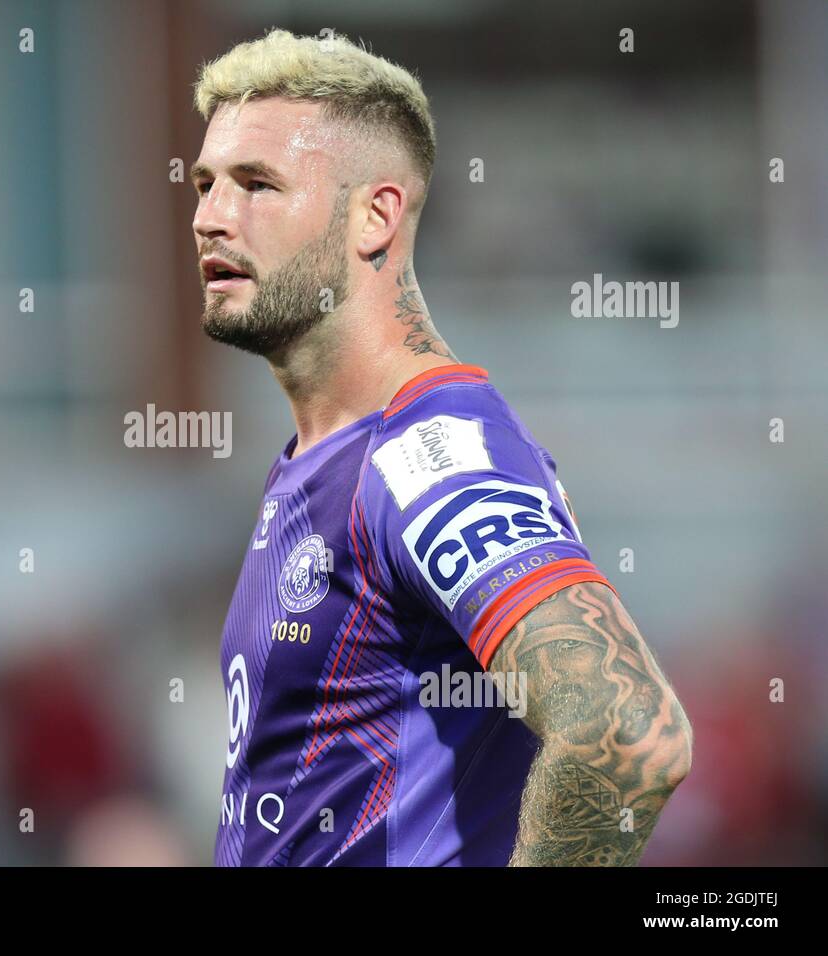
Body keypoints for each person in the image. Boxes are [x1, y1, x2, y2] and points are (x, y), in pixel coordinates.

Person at [191, 28, 692, 866]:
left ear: (375, 215)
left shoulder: (431, 449)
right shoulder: (322, 453)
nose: (211, 216)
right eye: (205, 183)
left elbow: (628, 732)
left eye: (258, 185)